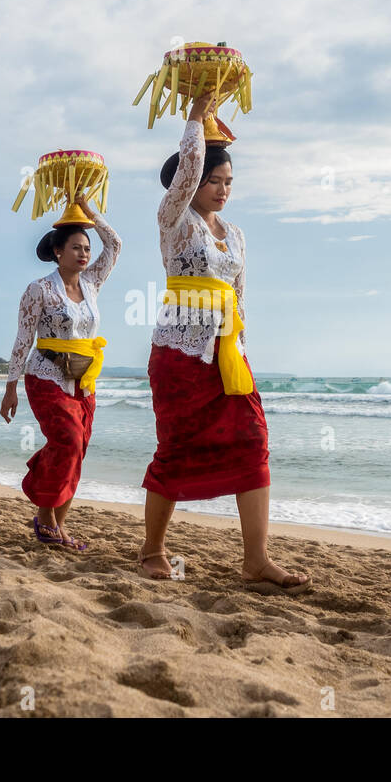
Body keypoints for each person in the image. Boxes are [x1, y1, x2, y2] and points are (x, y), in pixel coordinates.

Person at [136, 92, 309, 592]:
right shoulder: (174, 220)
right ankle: (153, 549)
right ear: (190, 182)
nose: (222, 189)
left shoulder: (235, 234)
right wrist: (195, 118)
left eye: (229, 181)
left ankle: (256, 559)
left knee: (253, 440)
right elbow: (186, 171)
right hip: (178, 354)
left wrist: (240, 346)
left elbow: (240, 293)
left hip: (226, 354)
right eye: (214, 179)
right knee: (175, 446)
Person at [0, 196, 121, 550]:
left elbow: (114, 243)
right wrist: (10, 387)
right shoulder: (38, 289)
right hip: (45, 375)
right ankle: (44, 515)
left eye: (86, 248)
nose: (84, 254)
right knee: (67, 441)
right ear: (57, 251)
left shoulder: (92, 283)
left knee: (77, 448)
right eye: (76, 248)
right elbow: (23, 339)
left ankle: (59, 524)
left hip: (83, 379)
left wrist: (86, 208)